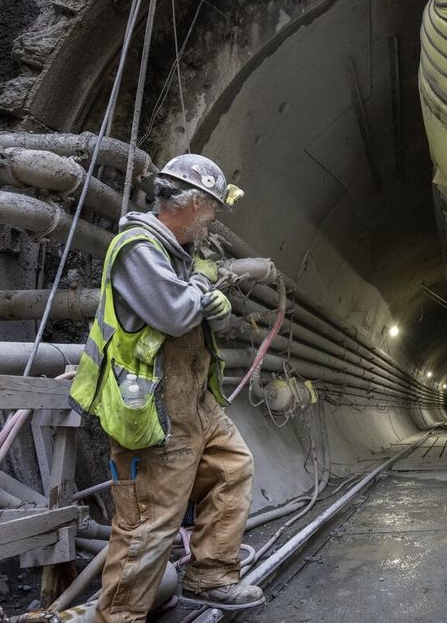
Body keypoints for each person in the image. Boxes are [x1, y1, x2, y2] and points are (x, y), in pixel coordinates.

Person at [69, 153, 263, 621]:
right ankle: (119, 617)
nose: (214, 217)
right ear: (192, 203)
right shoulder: (138, 247)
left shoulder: (176, 254)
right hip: (151, 408)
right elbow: (174, 314)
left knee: (232, 468)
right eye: (213, 206)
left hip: (193, 404)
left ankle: (211, 575)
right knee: (149, 523)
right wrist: (200, 287)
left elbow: (188, 309)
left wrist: (207, 298)